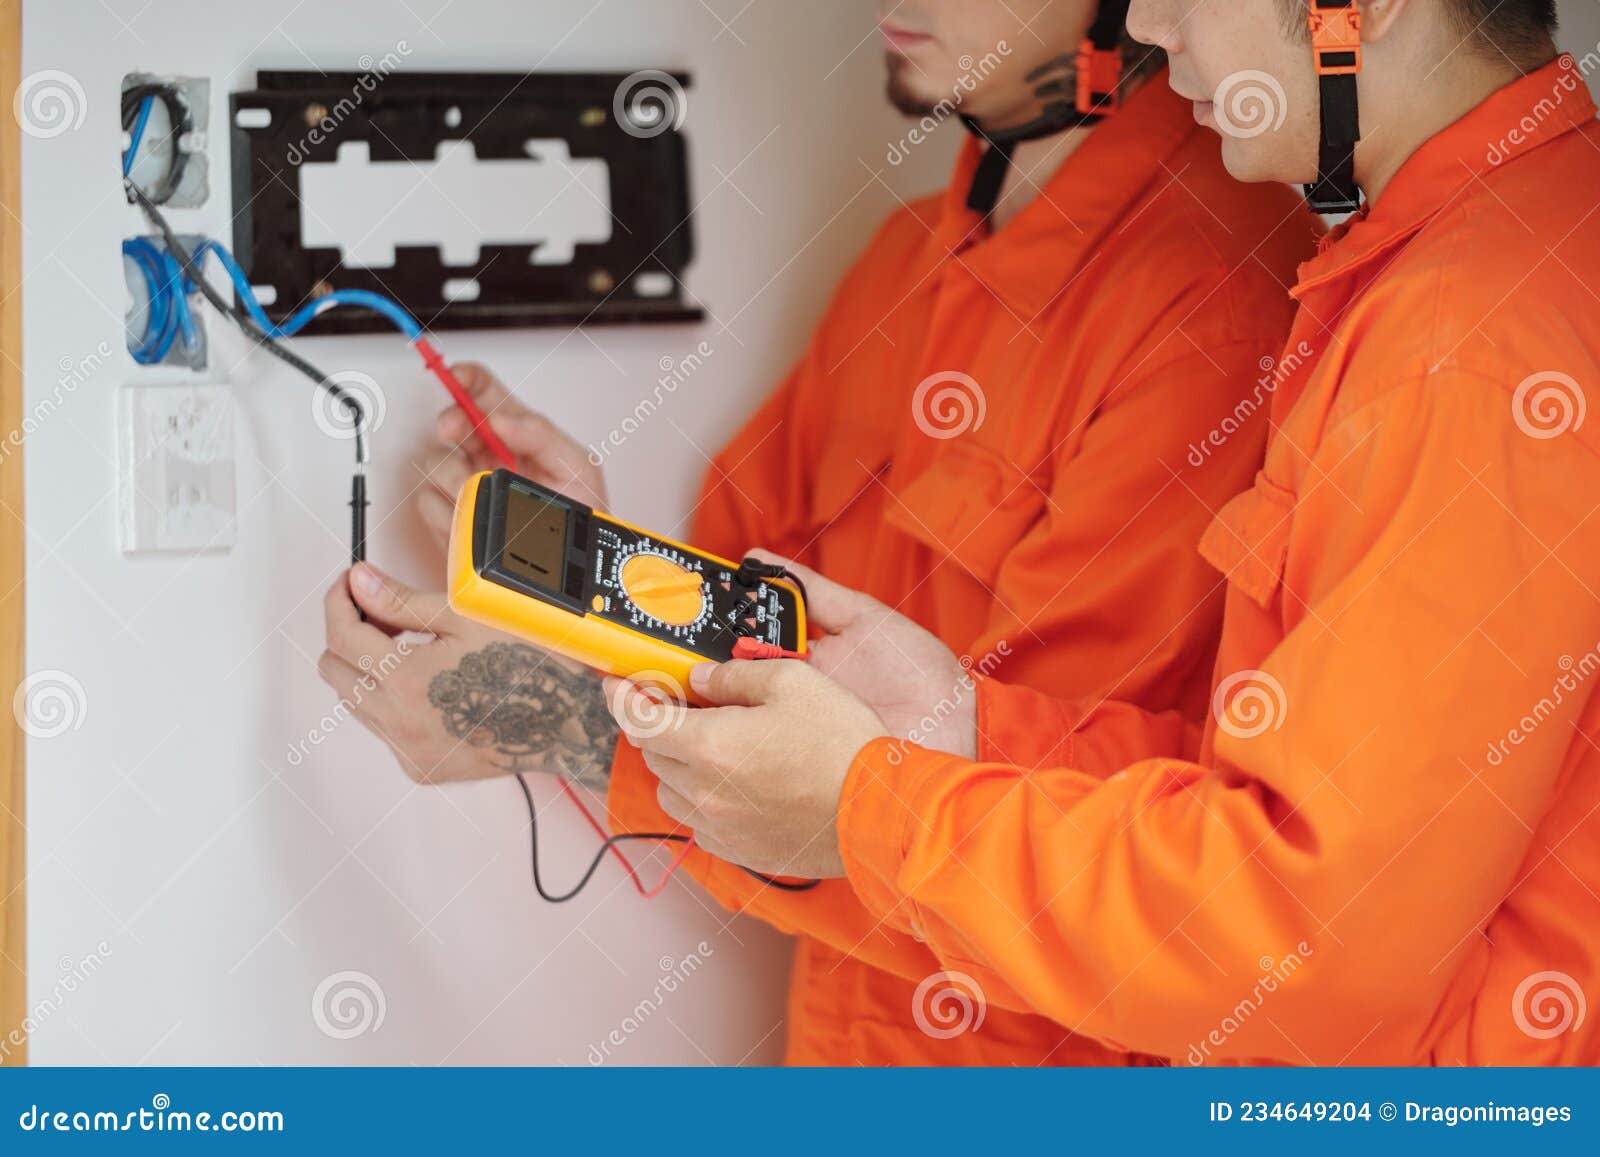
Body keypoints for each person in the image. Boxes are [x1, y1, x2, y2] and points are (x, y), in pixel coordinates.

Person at [321, 0, 1315, 1064]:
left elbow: (1050, 843)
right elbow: (760, 640)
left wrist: (561, 721)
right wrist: (584, 565)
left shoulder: (1213, 305)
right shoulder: (909, 260)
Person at [608, 0, 1600, 1064]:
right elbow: (1288, 811)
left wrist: (875, 806)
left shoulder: (1462, 342)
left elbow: (1304, 937)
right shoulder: (1444, 266)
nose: (1153, 25)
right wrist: (960, 728)